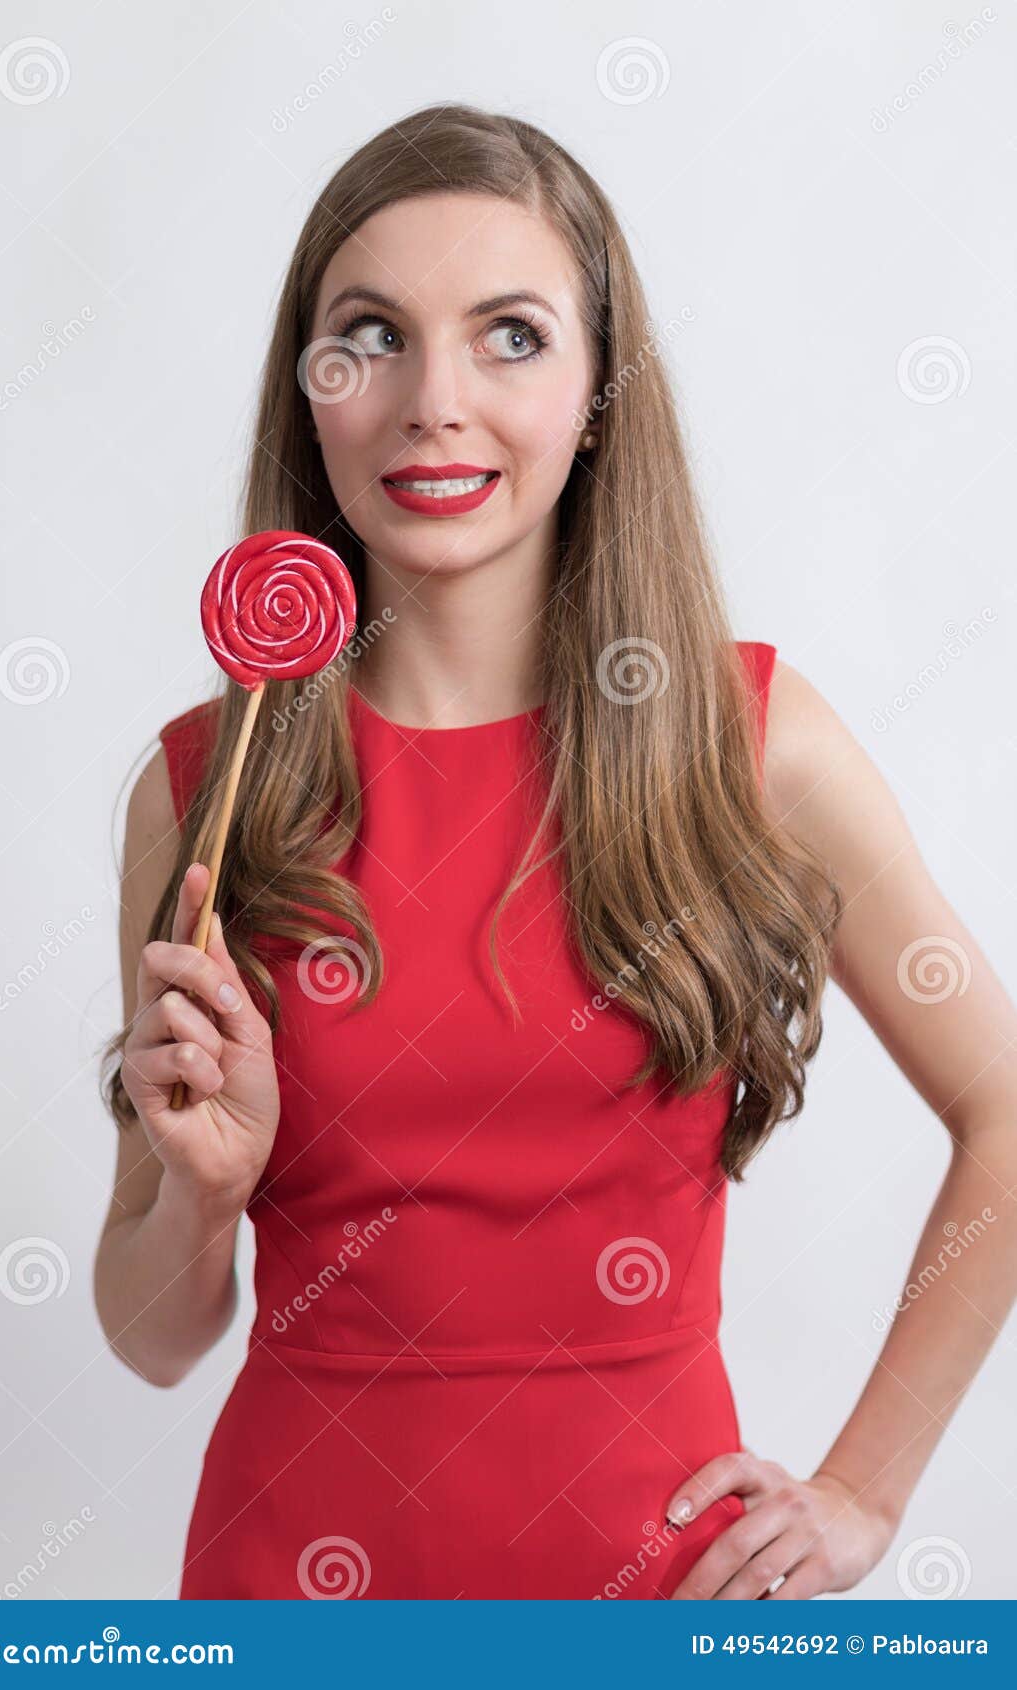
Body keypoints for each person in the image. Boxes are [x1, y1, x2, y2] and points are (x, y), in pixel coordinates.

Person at [95, 104, 1017, 1601]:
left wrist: (863, 1488)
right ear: (310, 390)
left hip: (658, 1596)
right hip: (292, 1589)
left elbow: (1006, 1104)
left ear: (597, 393)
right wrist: (200, 1190)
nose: (431, 402)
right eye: (371, 336)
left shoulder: (752, 738)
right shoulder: (204, 791)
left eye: (510, 335)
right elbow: (151, 1335)